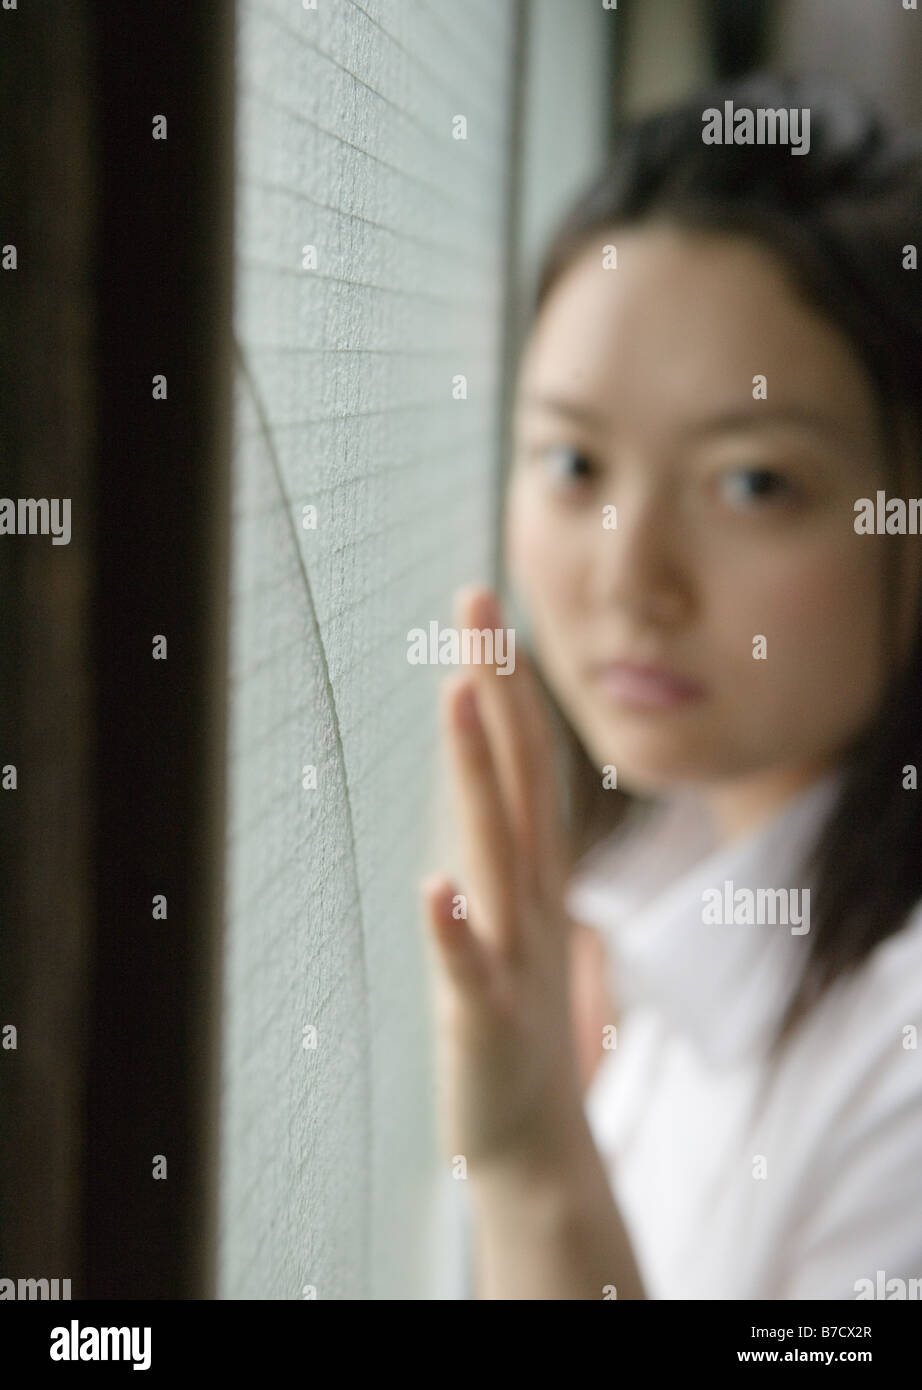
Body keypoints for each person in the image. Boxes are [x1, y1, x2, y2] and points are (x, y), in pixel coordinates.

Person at [419, 72, 922, 1300]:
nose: (628, 577)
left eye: (751, 483)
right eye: (572, 460)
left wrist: (535, 1156)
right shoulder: (633, 900)